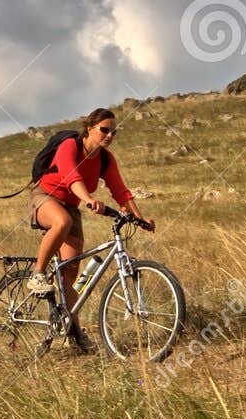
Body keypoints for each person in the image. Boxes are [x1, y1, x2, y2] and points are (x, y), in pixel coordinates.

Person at [26, 108, 154, 351]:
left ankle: (74, 334)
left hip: (72, 205)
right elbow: (71, 176)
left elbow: (120, 191)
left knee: (69, 276)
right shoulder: (70, 147)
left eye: (113, 132)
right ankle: (37, 274)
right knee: (61, 221)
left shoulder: (106, 159)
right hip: (45, 197)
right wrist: (87, 199)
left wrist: (140, 218)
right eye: (104, 130)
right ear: (89, 129)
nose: (109, 136)